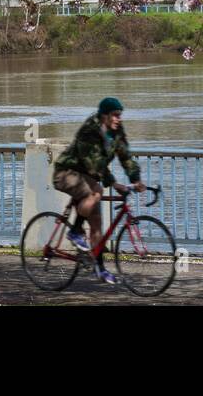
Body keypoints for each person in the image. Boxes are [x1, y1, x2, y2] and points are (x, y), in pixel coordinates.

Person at [52, 97, 145, 283]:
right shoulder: (90, 130)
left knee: (97, 227)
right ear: (104, 116)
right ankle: (75, 231)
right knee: (96, 193)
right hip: (66, 172)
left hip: (89, 177)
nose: (119, 119)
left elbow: (125, 157)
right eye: (115, 115)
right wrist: (114, 183)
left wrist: (136, 179)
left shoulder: (117, 131)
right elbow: (94, 162)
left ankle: (100, 269)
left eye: (120, 115)